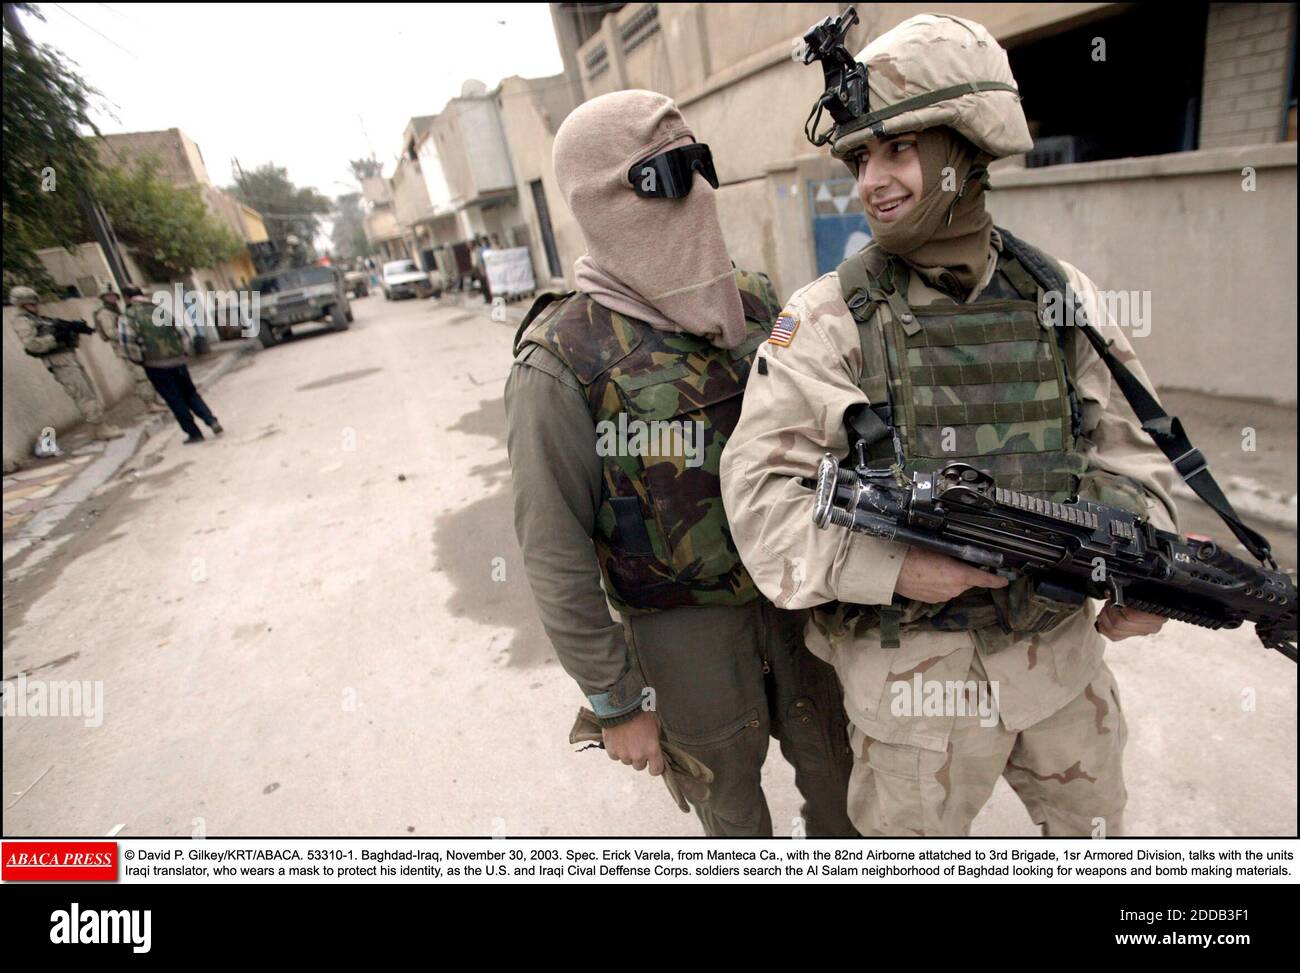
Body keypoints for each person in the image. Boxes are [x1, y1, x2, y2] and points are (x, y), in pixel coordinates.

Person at [720, 14, 1179, 837]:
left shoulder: (1057, 292)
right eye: (861, 158)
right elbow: (759, 504)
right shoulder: (827, 320)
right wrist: (893, 565)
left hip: (1060, 675)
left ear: (967, 150)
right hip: (912, 703)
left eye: (897, 149)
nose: (871, 181)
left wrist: (1145, 567)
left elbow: (1135, 450)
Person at [506, 89, 856, 837]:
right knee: (733, 818)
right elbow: (553, 551)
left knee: (842, 783)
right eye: (664, 175)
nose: (694, 192)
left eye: (700, 165)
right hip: (685, 637)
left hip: (800, 604)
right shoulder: (561, 360)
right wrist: (617, 702)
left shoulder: (757, 306)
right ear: (602, 200)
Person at [10, 284, 123, 441]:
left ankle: (101, 427)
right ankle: (100, 428)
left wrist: (72, 329)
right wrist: (56, 338)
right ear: (21, 304)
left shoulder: (38, 319)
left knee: (89, 392)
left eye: (35, 302)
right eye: (30, 303)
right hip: (59, 362)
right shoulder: (22, 321)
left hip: (68, 357)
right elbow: (32, 345)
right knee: (83, 395)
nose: (35, 306)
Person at [118, 286, 223, 445]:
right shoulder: (161, 311)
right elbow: (183, 334)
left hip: (155, 365)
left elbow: (127, 344)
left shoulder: (128, 317)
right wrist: (183, 353)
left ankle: (194, 433)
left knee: (174, 399)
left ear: (126, 297)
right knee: (190, 393)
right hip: (178, 361)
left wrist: (140, 360)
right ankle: (211, 421)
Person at [93, 287, 166, 412]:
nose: (112, 298)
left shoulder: (115, 310)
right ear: (103, 298)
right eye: (108, 296)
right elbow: (111, 333)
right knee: (140, 376)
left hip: (132, 347)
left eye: (114, 295)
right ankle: (149, 404)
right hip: (125, 349)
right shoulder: (105, 313)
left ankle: (153, 400)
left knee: (147, 374)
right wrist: (133, 333)